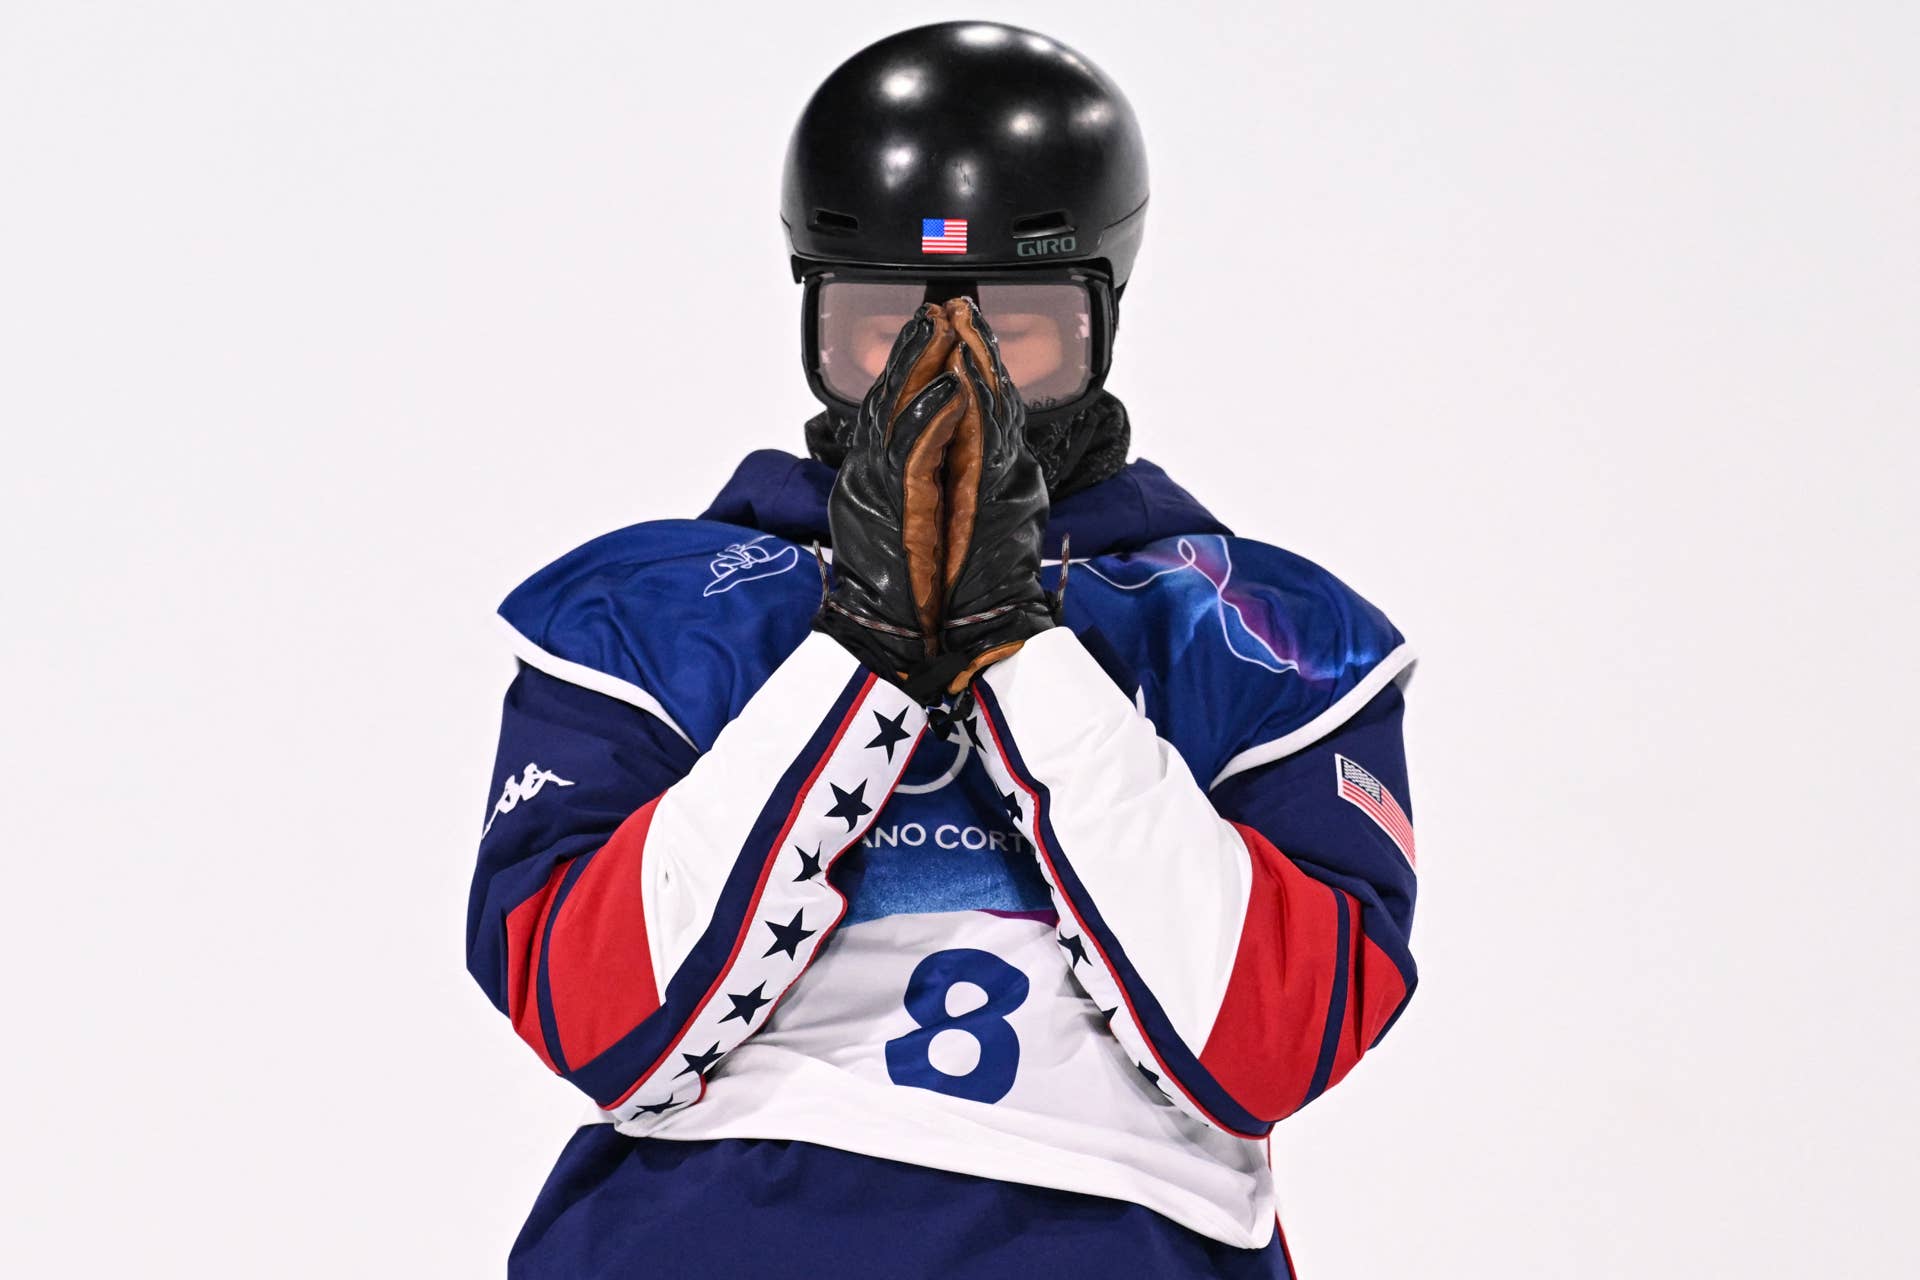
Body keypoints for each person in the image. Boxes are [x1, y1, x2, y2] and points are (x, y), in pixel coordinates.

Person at [466, 21, 1420, 1278]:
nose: (943, 372)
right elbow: (595, 1015)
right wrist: (859, 649)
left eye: (1010, 332)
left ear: (1098, 318)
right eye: (886, 331)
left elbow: (1265, 1042)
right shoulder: (655, 607)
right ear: (817, 319)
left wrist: (1018, 648)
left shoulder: (1262, 635)